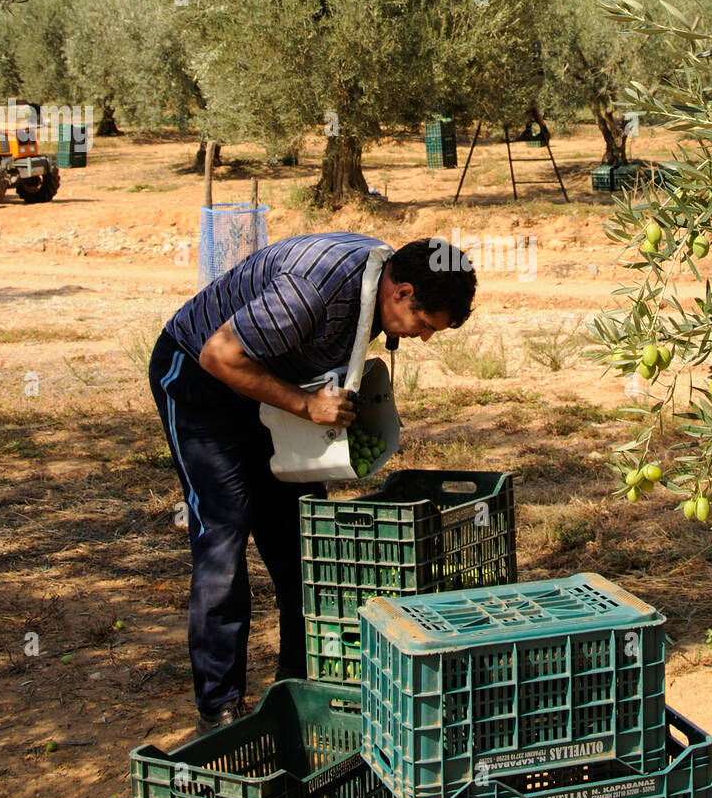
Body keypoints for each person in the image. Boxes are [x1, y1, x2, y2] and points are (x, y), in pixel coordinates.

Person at [148, 232, 476, 735]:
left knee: (300, 538)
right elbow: (221, 356)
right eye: (426, 325)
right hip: (200, 382)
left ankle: (297, 680)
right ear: (403, 292)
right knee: (224, 536)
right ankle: (219, 707)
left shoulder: (379, 280)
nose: (425, 338)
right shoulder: (314, 290)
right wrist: (306, 406)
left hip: (266, 388)